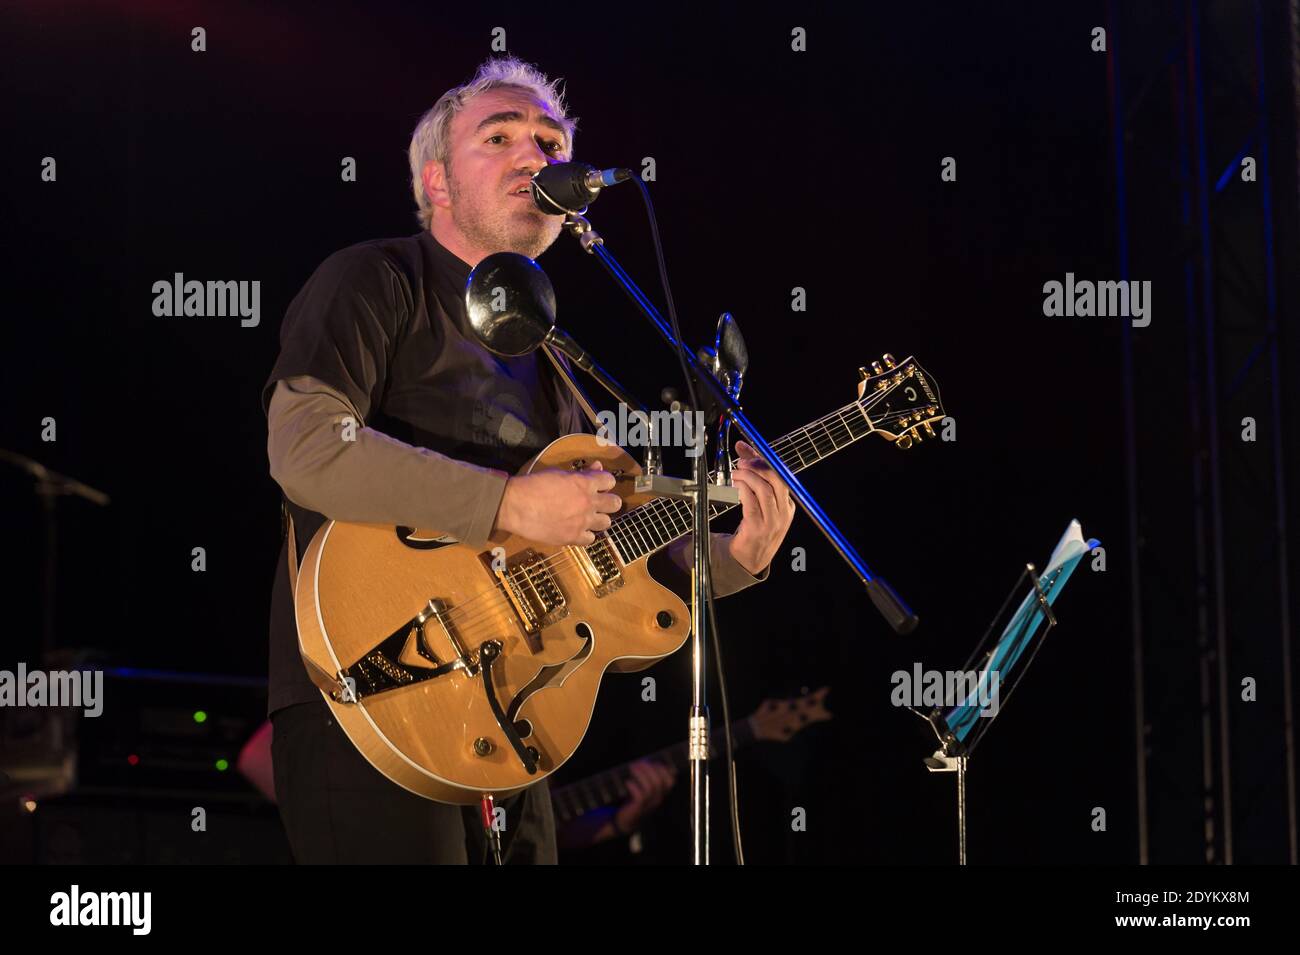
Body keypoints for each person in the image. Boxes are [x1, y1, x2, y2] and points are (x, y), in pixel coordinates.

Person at [262, 56, 796, 864]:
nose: (536, 157)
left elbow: (608, 572)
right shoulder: (374, 279)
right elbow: (305, 448)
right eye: (501, 135)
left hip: (508, 719)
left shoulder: (552, 359)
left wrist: (735, 558)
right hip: (371, 693)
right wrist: (511, 503)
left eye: (550, 142)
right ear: (437, 182)